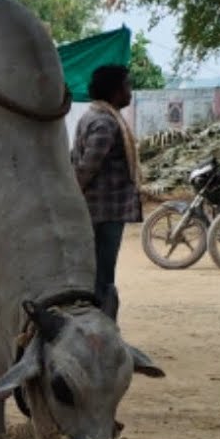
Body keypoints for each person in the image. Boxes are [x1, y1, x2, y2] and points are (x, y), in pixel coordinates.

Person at [71, 65, 141, 320]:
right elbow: (86, 167)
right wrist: (74, 198)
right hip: (103, 212)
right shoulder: (105, 123)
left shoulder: (94, 116)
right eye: (127, 86)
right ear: (114, 91)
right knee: (102, 277)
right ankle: (101, 328)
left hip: (98, 210)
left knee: (95, 274)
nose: (130, 93)